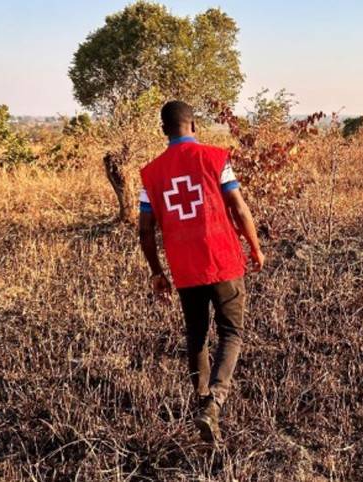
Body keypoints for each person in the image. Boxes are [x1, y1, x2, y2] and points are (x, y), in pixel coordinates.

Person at [138, 100, 265, 443]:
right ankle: (214, 403)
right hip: (223, 260)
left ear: (163, 130)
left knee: (196, 333)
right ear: (194, 126)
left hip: (184, 267)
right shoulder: (216, 158)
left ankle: (200, 400)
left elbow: (145, 230)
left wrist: (156, 271)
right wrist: (254, 246)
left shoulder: (150, 174)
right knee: (231, 333)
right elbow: (239, 207)